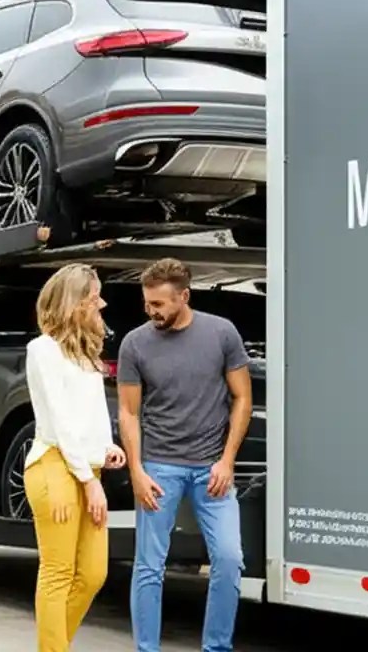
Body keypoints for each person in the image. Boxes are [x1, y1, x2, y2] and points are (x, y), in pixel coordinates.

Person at [116, 258, 253, 652]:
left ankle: (216, 647)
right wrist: (138, 472)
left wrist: (227, 460)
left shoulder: (221, 333)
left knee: (228, 560)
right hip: (159, 467)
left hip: (212, 467)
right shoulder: (135, 343)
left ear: (184, 296)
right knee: (149, 567)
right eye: (147, 303)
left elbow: (242, 398)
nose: (150, 311)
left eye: (158, 304)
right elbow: (128, 412)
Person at [24, 263, 128, 651]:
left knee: (93, 573)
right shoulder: (43, 349)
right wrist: (88, 480)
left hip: (85, 466)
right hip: (55, 466)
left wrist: (105, 446)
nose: (101, 303)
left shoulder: (85, 350)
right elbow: (60, 419)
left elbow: (89, 412)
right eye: (93, 297)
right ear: (74, 302)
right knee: (58, 572)